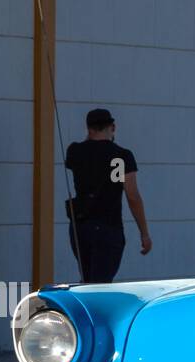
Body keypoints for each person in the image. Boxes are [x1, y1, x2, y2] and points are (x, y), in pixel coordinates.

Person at [64, 108, 151, 282]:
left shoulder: (75, 151)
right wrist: (144, 232)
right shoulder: (120, 156)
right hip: (107, 228)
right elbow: (132, 196)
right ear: (113, 127)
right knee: (101, 284)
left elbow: (87, 160)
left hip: (80, 227)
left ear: (89, 129)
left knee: (87, 280)